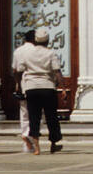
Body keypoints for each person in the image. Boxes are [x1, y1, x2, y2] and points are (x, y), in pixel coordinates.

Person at [14, 26, 64, 155]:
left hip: (31, 88)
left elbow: (19, 70)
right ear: (47, 41)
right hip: (48, 87)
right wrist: (62, 88)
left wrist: (19, 84)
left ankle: (36, 147)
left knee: (33, 117)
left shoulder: (27, 53)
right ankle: (54, 143)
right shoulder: (50, 53)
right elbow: (57, 71)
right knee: (51, 116)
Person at [12, 29, 36, 153]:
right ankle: (31, 137)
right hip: (35, 85)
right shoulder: (37, 51)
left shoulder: (18, 51)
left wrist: (18, 84)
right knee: (36, 113)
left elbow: (15, 70)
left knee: (24, 114)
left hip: (23, 84)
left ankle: (26, 140)